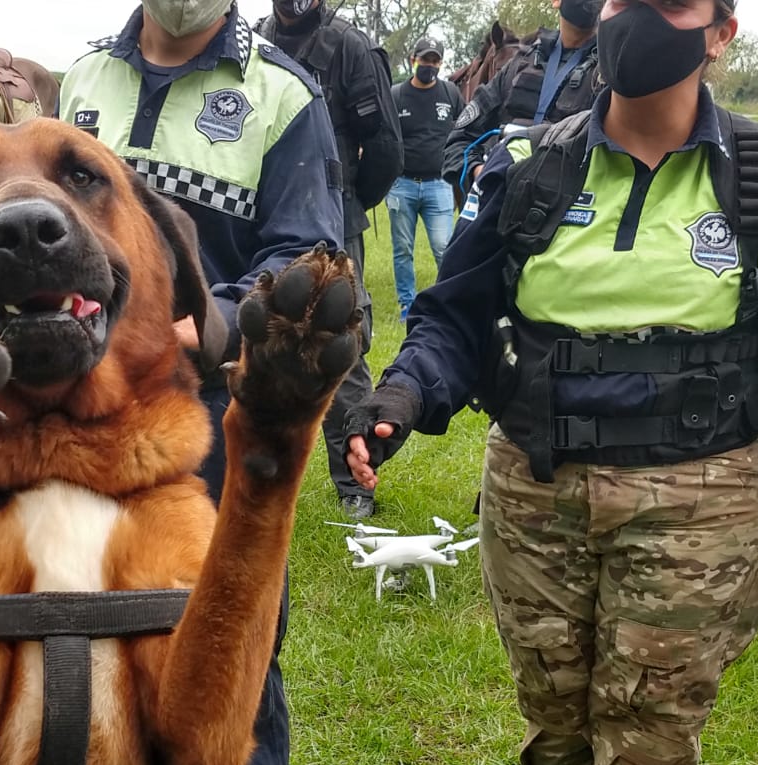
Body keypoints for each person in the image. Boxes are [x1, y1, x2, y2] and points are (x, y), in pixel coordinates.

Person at [342, 1, 758, 765]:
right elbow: (456, 315)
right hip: (535, 492)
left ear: (720, 31)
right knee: (556, 730)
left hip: (696, 503)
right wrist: (401, 397)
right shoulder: (526, 167)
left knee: (643, 744)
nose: (637, 15)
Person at [60, 4, 344, 765]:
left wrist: (198, 323)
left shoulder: (281, 96)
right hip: (82, 428)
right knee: (76, 643)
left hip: (215, 435)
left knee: (235, 665)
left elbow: (303, 267)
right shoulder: (85, 80)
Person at [256, 0, 402, 520]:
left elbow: (384, 146)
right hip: (265, 215)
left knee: (340, 350)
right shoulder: (254, 42)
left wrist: (348, 204)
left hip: (335, 218)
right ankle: (256, 474)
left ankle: (355, 482)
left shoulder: (349, 47)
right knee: (260, 340)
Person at [443, 0, 602, 192]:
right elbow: (459, 140)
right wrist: (481, 173)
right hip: (499, 209)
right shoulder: (518, 65)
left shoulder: (613, 75)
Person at [387, 37, 463, 322]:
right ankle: (407, 306)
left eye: (434, 60)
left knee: (444, 247)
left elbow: (464, 129)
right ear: (412, 59)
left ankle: (446, 302)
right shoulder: (396, 95)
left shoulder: (451, 94)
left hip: (439, 184)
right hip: (402, 185)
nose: (429, 65)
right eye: (424, 59)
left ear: (440, 63)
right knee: (403, 250)